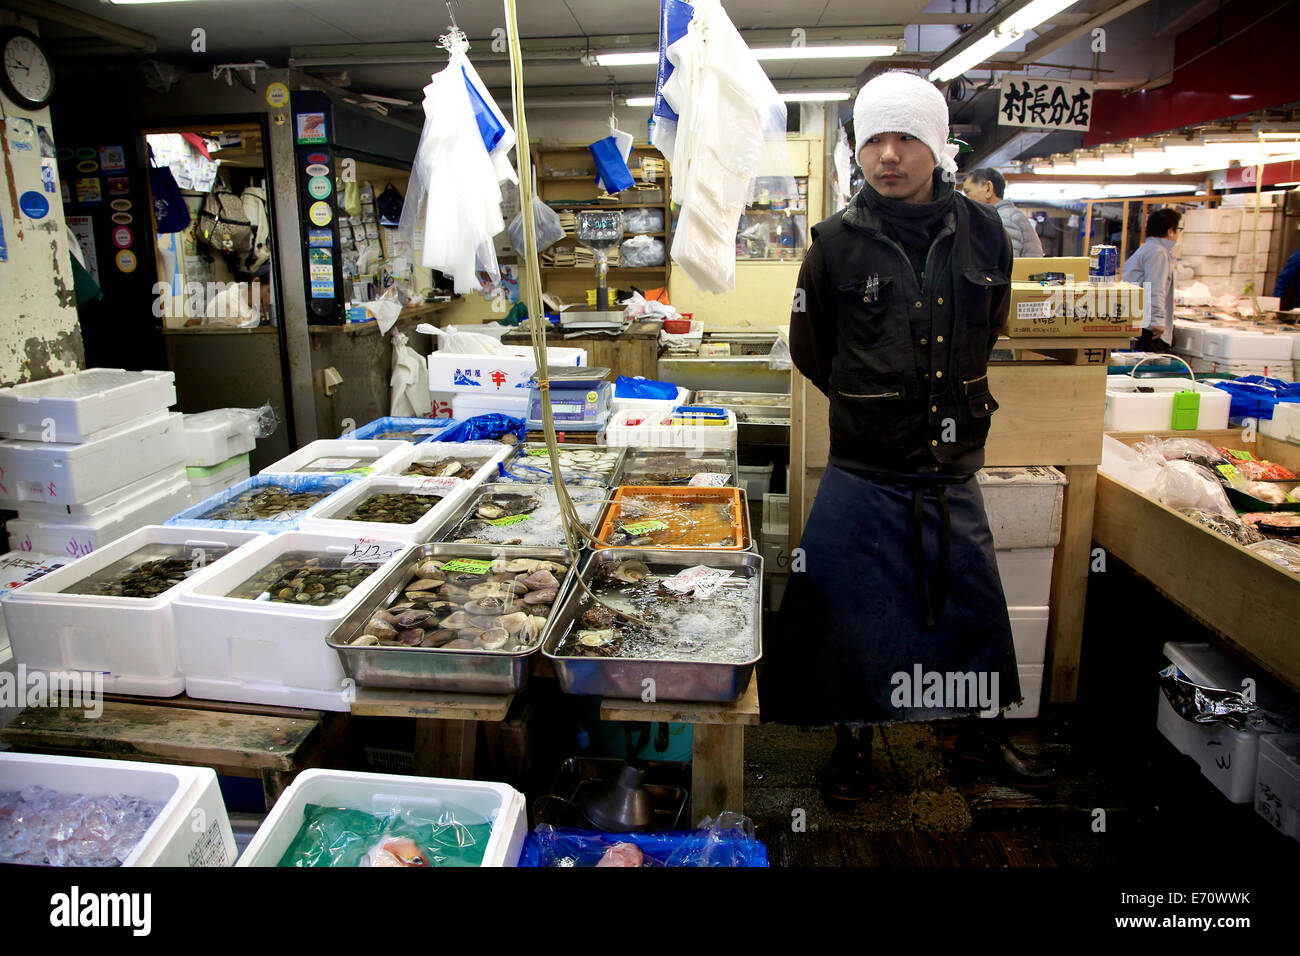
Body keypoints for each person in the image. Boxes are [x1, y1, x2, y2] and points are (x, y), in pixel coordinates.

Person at [761, 71, 1057, 805]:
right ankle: (853, 747)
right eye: (872, 141)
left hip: (951, 466)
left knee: (972, 608)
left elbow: (988, 329)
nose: (887, 155)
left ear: (936, 145)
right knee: (848, 613)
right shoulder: (833, 245)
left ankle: (976, 738)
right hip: (864, 467)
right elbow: (811, 348)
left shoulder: (988, 233)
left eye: (904, 138)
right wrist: (874, 403)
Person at [1122, 208, 1181, 351]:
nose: (1179, 233)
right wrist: (1157, 320)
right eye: (1179, 229)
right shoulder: (1158, 252)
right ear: (1170, 231)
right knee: (1146, 367)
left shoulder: (1148, 248)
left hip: (1138, 320)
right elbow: (1155, 287)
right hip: (1147, 325)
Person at [961, 167, 1045, 257]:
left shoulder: (1002, 220)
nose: (965, 199)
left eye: (967, 192)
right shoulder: (1007, 215)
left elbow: (1007, 266)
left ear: (988, 189)